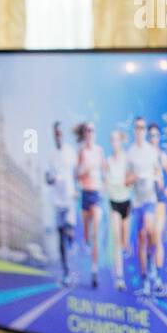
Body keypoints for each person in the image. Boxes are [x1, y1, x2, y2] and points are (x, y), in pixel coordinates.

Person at [124, 116, 161, 297]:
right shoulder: (130, 153)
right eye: (137, 127)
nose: (140, 130)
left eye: (142, 127)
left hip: (150, 200)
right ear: (134, 130)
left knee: (150, 233)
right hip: (137, 202)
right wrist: (137, 176)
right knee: (141, 239)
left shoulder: (151, 151)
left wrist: (157, 179)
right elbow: (126, 180)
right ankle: (146, 278)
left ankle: (153, 267)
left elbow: (157, 171)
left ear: (145, 130)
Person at [43, 121, 78, 287]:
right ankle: (67, 273)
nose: (58, 136)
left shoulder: (70, 153)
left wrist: (77, 189)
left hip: (69, 200)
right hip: (57, 203)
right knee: (60, 237)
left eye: (60, 133)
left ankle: (72, 241)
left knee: (69, 232)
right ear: (53, 135)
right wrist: (51, 179)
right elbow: (47, 177)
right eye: (56, 134)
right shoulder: (50, 155)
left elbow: (77, 173)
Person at [73, 121, 105, 288]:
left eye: (93, 130)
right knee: (87, 236)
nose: (90, 133)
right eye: (87, 130)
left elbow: (105, 171)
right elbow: (77, 175)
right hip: (85, 193)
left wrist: (105, 185)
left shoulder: (100, 151)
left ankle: (94, 270)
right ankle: (86, 241)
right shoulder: (82, 152)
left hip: (96, 193)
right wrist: (84, 171)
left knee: (95, 232)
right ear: (84, 134)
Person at [147, 122, 167, 298]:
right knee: (148, 238)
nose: (153, 139)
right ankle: (149, 271)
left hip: (159, 200)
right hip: (145, 200)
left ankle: (157, 279)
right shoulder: (142, 155)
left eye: (156, 135)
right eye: (150, 136)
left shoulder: (162, 156)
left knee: (157, 237)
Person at [105, 127, 132, 291]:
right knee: (116, 240)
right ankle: (119, 277)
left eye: (117, 139)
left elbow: (132, 178)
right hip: (113, 202)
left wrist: (128, 182)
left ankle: (126, 248)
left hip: (126, 202)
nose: (114, 143)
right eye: (112, 140)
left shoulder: (127, 159)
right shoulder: (108, 161)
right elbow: (106, 181)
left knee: (124, 243)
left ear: (121, 142)